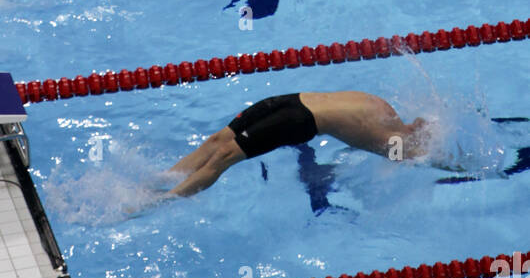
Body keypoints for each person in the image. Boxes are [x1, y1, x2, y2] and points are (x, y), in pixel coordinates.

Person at [162, 91, 431, 197]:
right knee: (219, 146)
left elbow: (403, 150)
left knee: (221, 150)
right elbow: (401, 155)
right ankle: (165, 184)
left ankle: (165, 195)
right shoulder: (389, 137)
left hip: (295, 107)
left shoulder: (383, 108)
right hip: (295, 110)